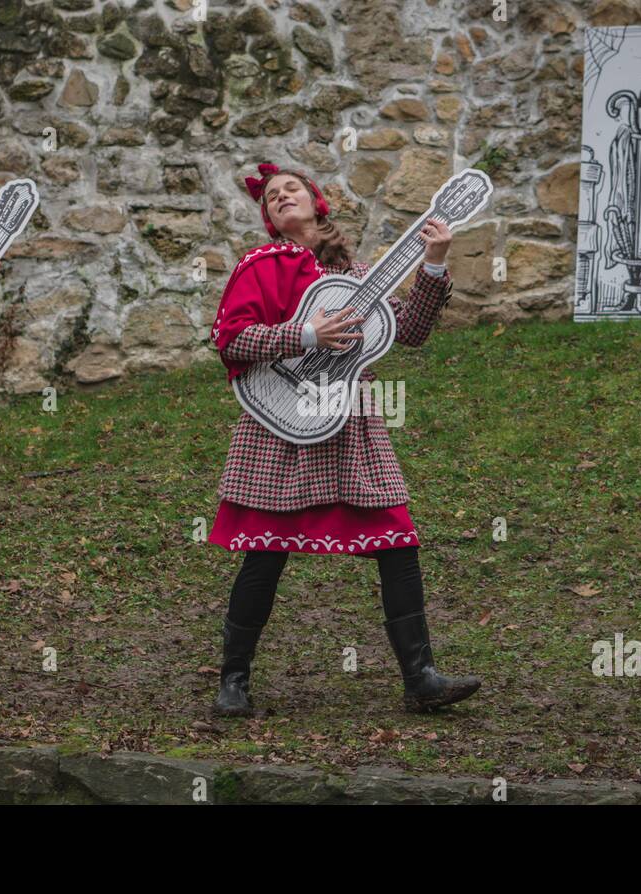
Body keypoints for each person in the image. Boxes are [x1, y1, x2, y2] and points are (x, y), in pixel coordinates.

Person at [205, 162, 481, 716]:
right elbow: (229, 337)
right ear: (269, 218)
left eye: (293, 189)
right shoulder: (262, 266)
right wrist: (306, 333)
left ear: (317, 202)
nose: (283, 197)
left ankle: (421, 678)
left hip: (350, 419)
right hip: (279, 420)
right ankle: (233, 681)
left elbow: (411, 331)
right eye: (273, 196)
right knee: (264, 553)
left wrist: (432, 262)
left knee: (398, 542)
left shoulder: (357, 272)